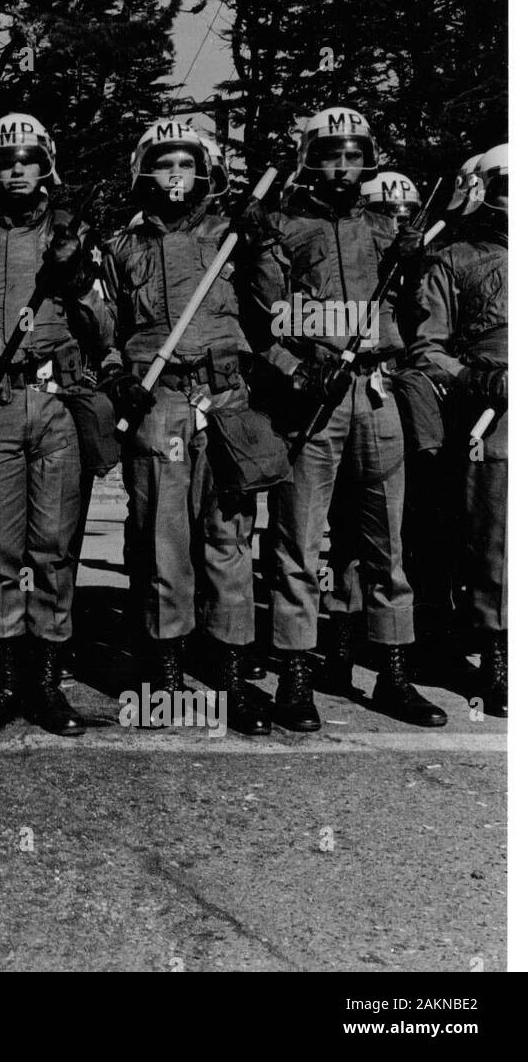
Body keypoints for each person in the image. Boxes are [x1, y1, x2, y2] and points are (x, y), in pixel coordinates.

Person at [246, 106, 446, 730]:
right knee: (298, 543)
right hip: (314, 397)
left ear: (369, 160)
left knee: (387, 543)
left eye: (354, 155)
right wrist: (297, 366)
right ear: (308, 156)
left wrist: (417, 262)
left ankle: (392, 674)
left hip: (378, 394)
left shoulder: (388, 227)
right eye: (330, 153)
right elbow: (262, 321)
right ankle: (297, 677)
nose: (342, 166)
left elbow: (422, 316)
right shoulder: (281, 226)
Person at [0, 113, 112, 737]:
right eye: (5, 162)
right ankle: (5, 682)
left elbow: (106, 331)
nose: (16, 170)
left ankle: (48, 685)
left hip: (59, 405)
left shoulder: (76, 232)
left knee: (53, 550)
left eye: (28, 160)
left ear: (45, 164)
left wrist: (78, 278)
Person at [100, 121, 271, 734]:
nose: (175, 175)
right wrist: (118, 374)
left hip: (226, 398)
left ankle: (229, 676)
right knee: (162, 542)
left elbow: (273, 308)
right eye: (163, 163)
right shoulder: (122, 247)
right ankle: (166, 674)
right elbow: (106, 331)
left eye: (186, 163)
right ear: (144, 172)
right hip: (160, 402)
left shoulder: (234, 234)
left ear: (205, 169)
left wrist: (262, 245)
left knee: (229, 541)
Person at [408, 144, 507, 718]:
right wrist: (474, 378)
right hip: (496, 408)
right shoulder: (454, 259)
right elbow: (429, 347)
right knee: (493, 542)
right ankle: (496, 661)